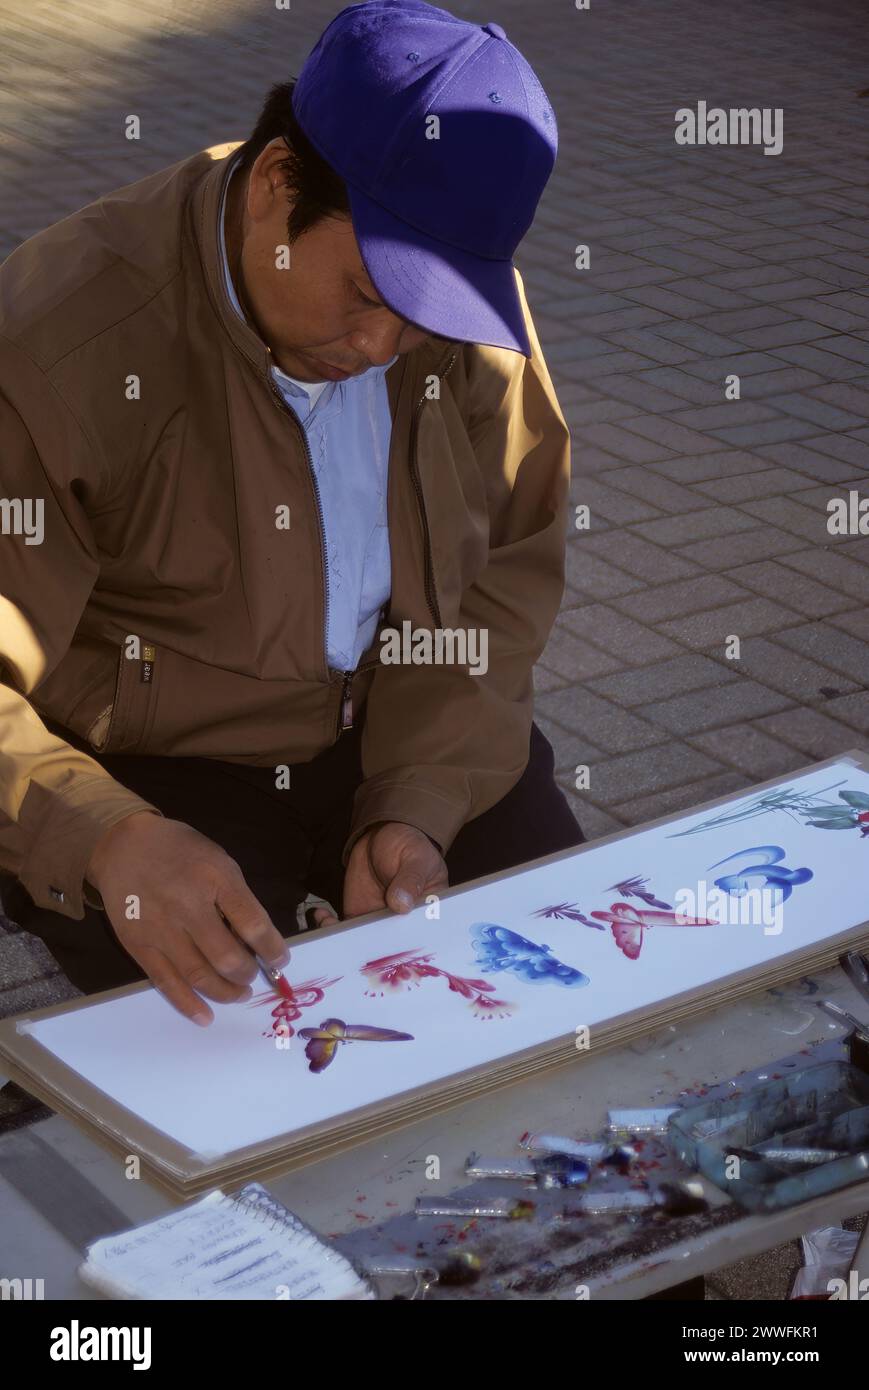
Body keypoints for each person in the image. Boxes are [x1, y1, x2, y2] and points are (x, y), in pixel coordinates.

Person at [0, 1, 582, 1023]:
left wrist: (419, 801)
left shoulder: (457, 313)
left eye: (424, 313)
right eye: (364, 292)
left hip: (410, 719)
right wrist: (101, 834)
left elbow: (502, 578)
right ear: (277, 183)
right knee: (278, 1069)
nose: (382, 347)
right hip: (161, 774)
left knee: (572, 991)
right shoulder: (59, 342)